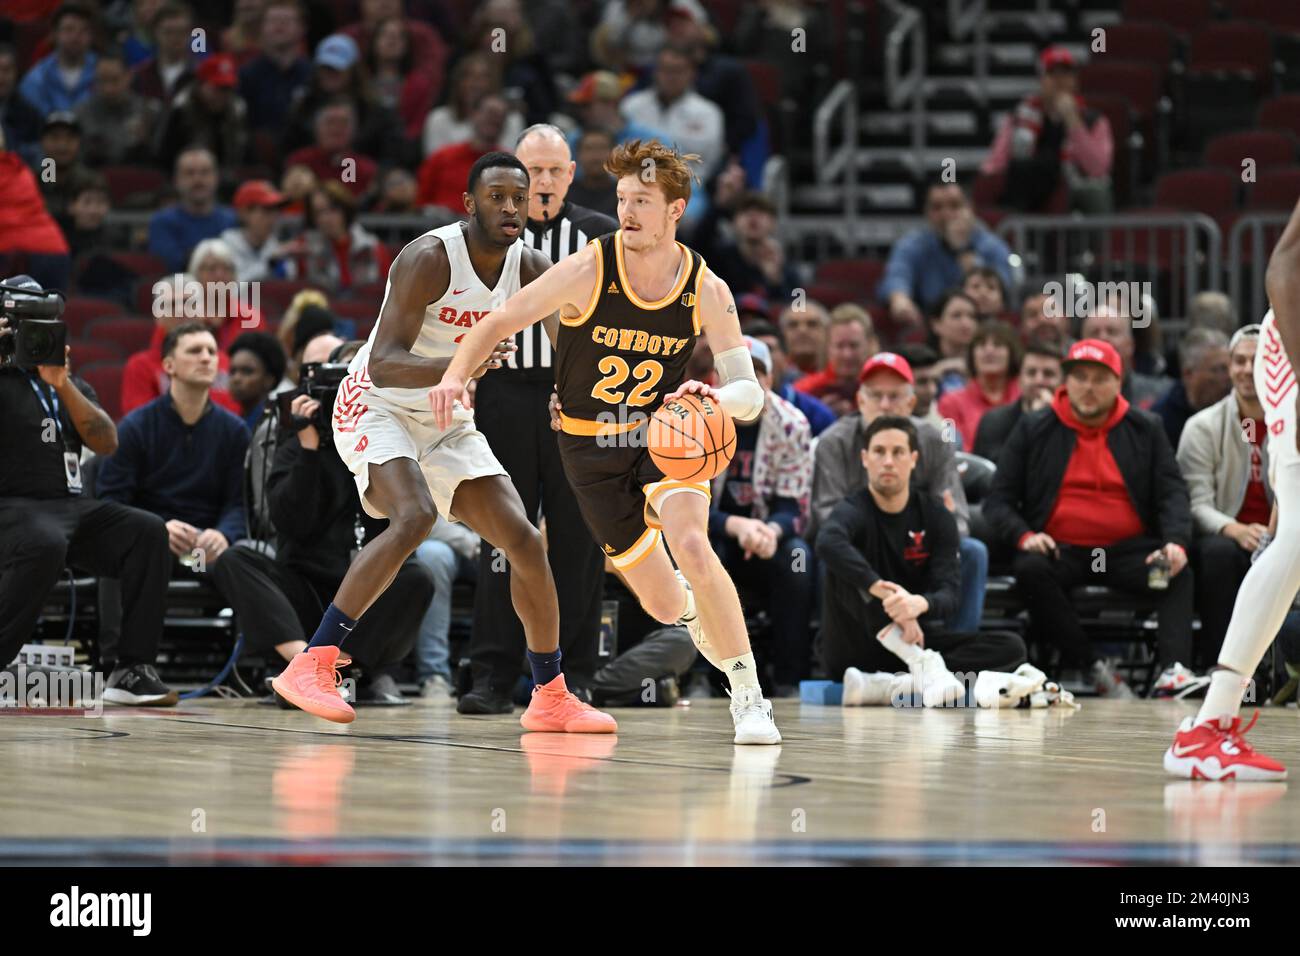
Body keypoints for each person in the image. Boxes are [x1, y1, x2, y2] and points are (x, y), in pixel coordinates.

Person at [431, 139, 783, 745]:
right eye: (621, 198)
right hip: (587, 450)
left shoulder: (706, 286)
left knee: (694, 545)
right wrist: (456, 378)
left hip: (664, 437)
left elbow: (749, 394)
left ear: (675, 209)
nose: (628, 210)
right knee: (666, 604)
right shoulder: (590, 267)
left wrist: (710, 400)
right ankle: (702, 620)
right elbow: (497, 321)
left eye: (642, 200)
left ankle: (749, 697)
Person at [274, 151, 617, 734]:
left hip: (444, 415)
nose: (511, 207)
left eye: (519, 197)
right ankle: (313, 662)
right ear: (469, 203)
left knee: (525, 540)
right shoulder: (430, 257)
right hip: (376, 404)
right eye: (497, 197)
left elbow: (572, 347)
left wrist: (574, 393)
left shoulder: (531, 266)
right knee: (413, 517)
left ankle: (550, 692)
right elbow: (382, 365)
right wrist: (463, 364)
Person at [457, 124, 618, 712]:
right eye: (533, 173)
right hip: (502, 395)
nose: (542, 183)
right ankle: (492, 675)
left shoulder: (601, 235)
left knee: (580, 538)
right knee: (502, 534)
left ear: (571, 175)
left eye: (554, 171)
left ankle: (573, 675)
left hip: (578, 399)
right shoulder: (485, 236)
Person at [1163, 194, 1300, 778]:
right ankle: (1206, 727)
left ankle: (1208, 726)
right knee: (1296, 544)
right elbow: (1284, 266)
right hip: (1295, 350)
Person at [984, 338, 1197, 698]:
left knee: (1175, 573)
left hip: (1127, 553)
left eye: (1099, 379)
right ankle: (1092, 667)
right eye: (1079, 377)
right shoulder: (1034, 427)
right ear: (1066, 381)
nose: (1088, 387)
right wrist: (1024, 537)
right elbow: (998, 501)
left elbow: (1172, 494)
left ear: (1118, 382)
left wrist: (1174, 543)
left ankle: (1172, 674)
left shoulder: (1146, 427)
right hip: (1060, 552)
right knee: (1030, 570)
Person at [0, 275, 175, 706]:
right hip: (13, 506)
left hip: (71, 507)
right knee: (44, 541)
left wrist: (61, 383)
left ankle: (131, 669)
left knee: (147, 533)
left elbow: (106, 442)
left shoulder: (65, 381)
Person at [211, 382, 435, 702]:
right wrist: (309, 452)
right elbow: (290, 523)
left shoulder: (386, 447)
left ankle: (337, 674)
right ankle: (302, 666)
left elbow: (400, 520)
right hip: (303, 585)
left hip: (363, 592)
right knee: (236, 560)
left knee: (418, 576)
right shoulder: (295, 444)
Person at [817, 415, 1027, 704]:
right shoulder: (852, 509)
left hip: (915, 636)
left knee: (1011, 647)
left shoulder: (937, 516)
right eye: (879, 452)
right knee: (838, 566)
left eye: (898, 452)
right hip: (858, 645)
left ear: (913, 458)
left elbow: (949, 594)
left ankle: (894, 684)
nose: (888, 461)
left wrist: (918, 604)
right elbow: (827, 541)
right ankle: (922, 669)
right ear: (865, 459)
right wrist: (883, 591)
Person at [811, 351, 987, 633]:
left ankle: (954, 647)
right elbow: (826, 516)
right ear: (860, 400)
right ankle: (843, 655)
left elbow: (958, 518)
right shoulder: (833, 442)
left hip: (920, 547)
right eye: (876, 395)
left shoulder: (935, 441)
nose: (884, 405)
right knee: (830, 558)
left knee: (972, 552)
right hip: (861, 548)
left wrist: (939, 540)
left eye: (894, 396)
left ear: (911, 403)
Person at [97, 323, 250, 573]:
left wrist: (224, 534)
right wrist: (157, 528)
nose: (206, 358)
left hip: (208, 552)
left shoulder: (235, 431)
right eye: (194, 351)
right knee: (132, 557)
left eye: (212, 352)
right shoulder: (135, 427)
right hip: (153, 544)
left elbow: (240, 503)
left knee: (246, 560)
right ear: (168, 366)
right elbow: (111, 502)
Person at [707, 336, 814, 694]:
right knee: (702, 560)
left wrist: (769, 531)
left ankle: (789, 678)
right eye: (735, 374)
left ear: (769, 380)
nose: (748, 382)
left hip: (767, 534)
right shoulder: (695, 420)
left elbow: (793, 506)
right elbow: (683, 507)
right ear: (716, 379)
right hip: (715, 531)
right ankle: (708, 679)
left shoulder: (792, 424)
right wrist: (734, 526)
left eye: (757, 374)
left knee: (798, 560)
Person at [1176, 325, 1271, 671]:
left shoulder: (1293, 423)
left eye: (1257, 360)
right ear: (1230, 367)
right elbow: (1195, 503)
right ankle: (1221, 667)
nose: (1247, 369)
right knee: (1218, 553)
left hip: (1283, 534)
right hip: (1226, 538)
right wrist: (1235, 530)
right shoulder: (1203, 427)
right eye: (1239, 361)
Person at [981, 46, 1114, 214]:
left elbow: (1098, 169)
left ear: (1075, 81)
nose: (1060, 81)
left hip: (1073, 189)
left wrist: (1073, 121)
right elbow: (994, 164)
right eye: (1052, 74)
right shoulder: (1018, 116)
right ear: (1041, 80)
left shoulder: (1094, 121)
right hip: (1027, 187)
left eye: (1065, 74)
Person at [880, 181, 1014, 329]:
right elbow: (897, 275)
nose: (946, 214)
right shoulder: (913, 245)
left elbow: (1004, 292)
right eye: (937, 208)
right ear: (927, 212)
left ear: (970, 208)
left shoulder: (993, 246)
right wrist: (900, 300)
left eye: (954, 206)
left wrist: (962, 249)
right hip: (931, 325)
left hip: (982, 325)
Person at [154, 52, 249, 176]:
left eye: (227, 89)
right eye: (217, 88)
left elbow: (245, 155)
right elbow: (163, 158)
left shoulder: (237, 111)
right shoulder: (181, 111)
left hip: (228, 179)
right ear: (201, 85)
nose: (222, 95)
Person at [148, 147, 238, 273]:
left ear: (216, 178)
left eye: (205, 172)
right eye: (189, 173)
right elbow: (171, 265)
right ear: (176, 181)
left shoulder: (232, 220)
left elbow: (238, 265)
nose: (198, 180)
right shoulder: (162, 222)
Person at [936, 318, 1022, 448]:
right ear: (972, 355)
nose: (989, 351)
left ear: (1012, 353)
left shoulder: (1025, 397)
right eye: (981, 345)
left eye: (998, 345)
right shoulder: (949, 403)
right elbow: (948, 450)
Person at [416, 94, 510, 213]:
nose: (495, 119)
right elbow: (421, 201)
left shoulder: (510, 165)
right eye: (490, 113)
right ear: (474, 114)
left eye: (501, 116)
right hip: (443, 227)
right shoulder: (442, 157)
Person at [972, 341, 1062, 464]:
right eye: (1031, 373)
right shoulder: (994, 422)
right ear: (1019, 380)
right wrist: (1034, 422)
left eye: (1048, 374)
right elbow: (998, 472)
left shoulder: (1072, 425)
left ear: (1063, 383)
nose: (1039, 381)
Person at [291, 182, 390, 293]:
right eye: (318, 213)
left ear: (345, 210)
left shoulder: (373, 248)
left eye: (332, 209)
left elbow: (385, 291)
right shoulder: (304, 248)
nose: (325, 219)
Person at [421, 52, 524, 157]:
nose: (475, 83)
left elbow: (510, 162)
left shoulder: (512, 120)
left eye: (483, 77)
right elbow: (435, 162)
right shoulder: (438, 119)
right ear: (458, 83)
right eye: (468, 76)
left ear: (494, 83)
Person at [747, 320, 835, 436]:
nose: (762, 356)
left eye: (769, 349)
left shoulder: (814, 413)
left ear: (786, 359)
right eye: (752, 349)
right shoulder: (720, 409)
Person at [238, 0, 312, 134]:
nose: (279, 26)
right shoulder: (247, 76)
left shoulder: (312, 75)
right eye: (273, 20)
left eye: (286, 21)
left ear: (302, 28)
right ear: (261, 27)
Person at [75, 49, 159, 167]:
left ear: (129, 76)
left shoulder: (148, 112)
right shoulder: (81, 114)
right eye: (102, 81)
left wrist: (146, 142)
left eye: (115, 80)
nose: (108, 88)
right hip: (93, 180)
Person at [1078, 306, 1173, 411]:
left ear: (1130, 344)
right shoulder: (1071, 397)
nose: (1103, 338)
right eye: (1094, 333)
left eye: (1112, 331)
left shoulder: (1161, 394)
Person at [283, 98, 379, 201]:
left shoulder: (366, 170)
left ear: (354, 129)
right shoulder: (300, 162)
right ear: (316, 127)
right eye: (330, 122)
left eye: (343, 123)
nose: (336, 129)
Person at [793, 304, 878, 417]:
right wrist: (817, 414)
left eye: (854, 345)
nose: (847, 355)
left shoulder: (885, 391)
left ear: (870, 345)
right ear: (827, 347)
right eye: (839, 346)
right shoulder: (803, 392)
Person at [1152, 328, 1231, 449]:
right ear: (1188, 374)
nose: (1228, 378)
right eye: (1218, 370)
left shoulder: (1239, 412)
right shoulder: (1161, 421)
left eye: (1230, 369)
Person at [19, 3, 98, 116]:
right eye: (69, 29)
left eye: (84, 30)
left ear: (91, 36)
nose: (76, 37)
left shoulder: (103, 73)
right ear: (54, 34)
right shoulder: (36, 79)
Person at [220, 179, 293, 282]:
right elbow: (232, 287)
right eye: (267, 210)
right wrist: (270, 264)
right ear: (244, 213)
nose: (273, 217)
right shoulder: (225, 247)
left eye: (276, 210)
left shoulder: (276, 245)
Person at [131, 2, 198, 105]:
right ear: (155, 33)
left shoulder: (200, 75)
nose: (176, 38)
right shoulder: (141, 76)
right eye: (169, 32)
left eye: (182, 31)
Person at [227, 332, 286, 431]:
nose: (236, 379)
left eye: (247, 371)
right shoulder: (234, 421)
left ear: (269, 380)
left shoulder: (275, 426)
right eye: (232, 371)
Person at [929, 289, 979, 396]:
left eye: (972, 316)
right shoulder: (923, 362)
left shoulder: (984, 364)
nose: (966, 324)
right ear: (936, 324)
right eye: (956, 316)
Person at [566, 127, 619, 220]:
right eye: (589, 148)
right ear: (578, 154)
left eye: (602, 148)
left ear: (614, 154)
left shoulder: (625, 195)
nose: (596, 156)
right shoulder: (565, 195)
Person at [777, 300, 830, 380]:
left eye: (812, 324)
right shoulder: (773, 376)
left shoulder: (841, 375)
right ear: (782, 333)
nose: (802, 330)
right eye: (793, 325)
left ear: (827, 332)